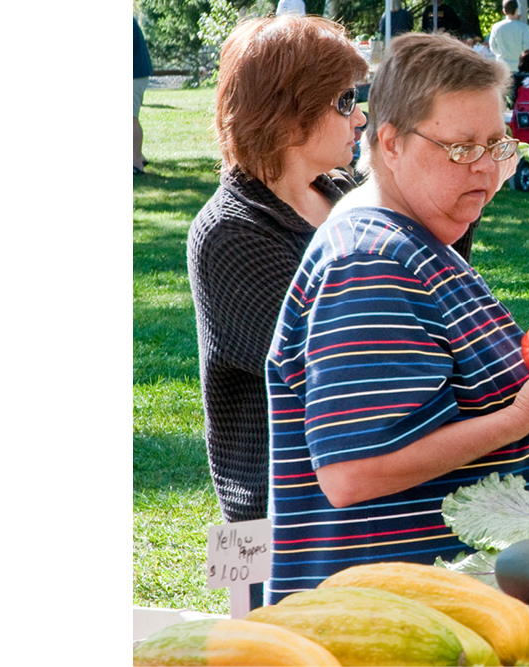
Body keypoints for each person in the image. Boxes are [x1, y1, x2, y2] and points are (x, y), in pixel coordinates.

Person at [265, 32, 529, 601]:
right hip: (402, 628)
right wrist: (521, 415)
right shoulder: (370, 261)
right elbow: (353, 472)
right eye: (461, 147)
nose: (484, 168)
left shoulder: (417, 242)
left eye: (497, 145)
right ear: (392, 143)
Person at [185, 15, 367, 610]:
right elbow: (335, 360)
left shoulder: (341, 192)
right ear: (289, 112)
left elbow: (421, 290)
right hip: (274, 526)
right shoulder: (228, 233)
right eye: (344, 101)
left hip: (350, 500)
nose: (360, 116)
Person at [489, 0, 529, 74]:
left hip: (501, 66)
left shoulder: (496, 27)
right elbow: (526, 48)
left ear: (504, 11)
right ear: (517, 10)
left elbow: (493, 46)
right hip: (518, 66)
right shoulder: (524, 28)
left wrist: (500, 54)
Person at [133, 17, 153, 175]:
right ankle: (139, 156)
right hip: (137, 73)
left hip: (134, 75)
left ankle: (135, 162)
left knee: (130, 118)